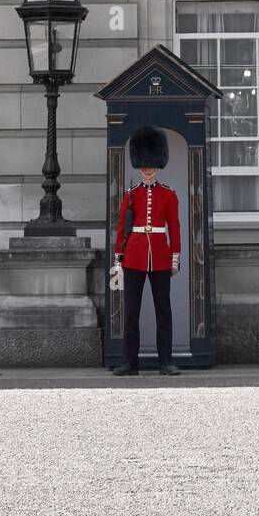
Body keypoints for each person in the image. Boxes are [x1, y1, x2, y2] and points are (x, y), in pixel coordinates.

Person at [110, 126, 181, 376]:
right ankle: (130, 363)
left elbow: (175, 227)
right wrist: (118, 260)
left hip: (160, 256)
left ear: (157, 165)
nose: (147, 169)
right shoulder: (131, 195)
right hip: (134, 256)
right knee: (131, 312)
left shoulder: (169, 195)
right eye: (143, 165)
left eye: (150, 165)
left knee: (164, 311)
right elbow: (122, 229)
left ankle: (166, 361)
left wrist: (175, 258)